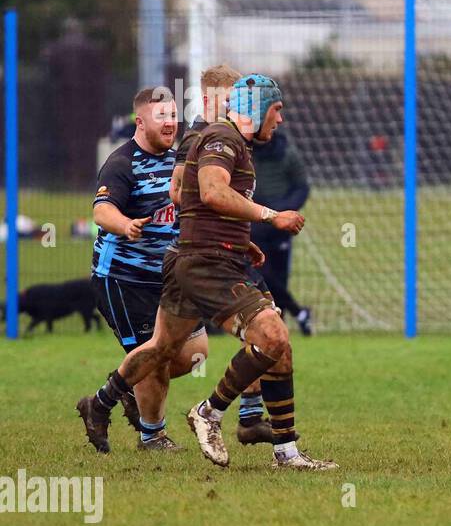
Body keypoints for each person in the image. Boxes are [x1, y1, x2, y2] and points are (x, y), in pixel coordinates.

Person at [76, 74, 336, 470]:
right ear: (257, 108)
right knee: (272, 334)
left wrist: (239, 237)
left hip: (191, 258)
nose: (281, 120)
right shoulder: (221, 139)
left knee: (170, 351)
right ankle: (205, 415)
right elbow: (210, 191)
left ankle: (101, 401)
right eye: (277, 110)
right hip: (192, 266)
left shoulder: (228, 143)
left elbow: (190, 198)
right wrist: (270, 216)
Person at [84, 87, 198, 451]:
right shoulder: (122, 163)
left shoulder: (180, 158)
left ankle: (120, 387)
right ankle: (153, 436)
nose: (170, 123)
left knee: (194, 353)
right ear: (140, 122)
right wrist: (125, 225)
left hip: (168, 277)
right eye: (161, 117)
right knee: (156, 354)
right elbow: (102, 210)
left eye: (173, 115)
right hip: (123, 278)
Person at [175, 63, 273, 445]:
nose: (239, 104)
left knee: (266, 322)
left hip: (225, 251)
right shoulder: (201, 137)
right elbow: (177, 191)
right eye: (231, 97)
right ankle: (111, 398)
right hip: (195, 255)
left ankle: (249, 417)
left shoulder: (233, 138)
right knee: (166, 349)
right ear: (207, 98)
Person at [250, 130, 313, 335]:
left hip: (280, 228)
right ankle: (297, 313)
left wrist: (284, 211)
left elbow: (301, 188)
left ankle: (282, 327)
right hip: (255, 223)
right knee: (261, 275)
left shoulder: (286, 153)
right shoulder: (244, 151)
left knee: (279, 276)